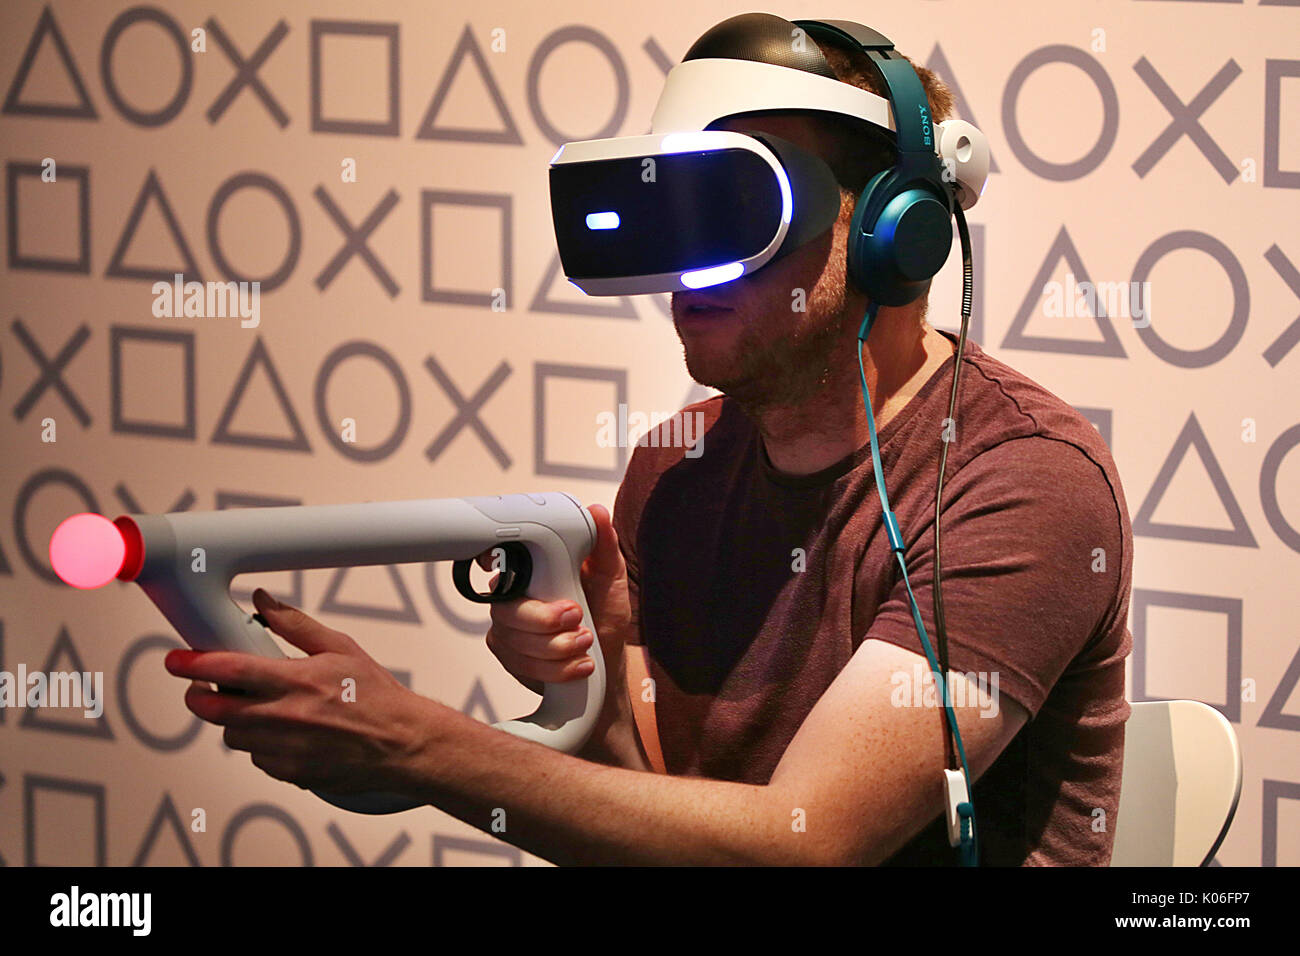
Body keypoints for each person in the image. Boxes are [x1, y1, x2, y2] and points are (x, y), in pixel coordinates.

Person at [167, 15, 1133, 865]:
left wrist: (417, 744)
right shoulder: (679, 464)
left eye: (739, 208)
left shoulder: (1025, 486)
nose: (690, 264)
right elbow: (662, 815)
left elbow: (808, 845)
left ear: (898, 231)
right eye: (673, 206)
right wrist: (597, 677)